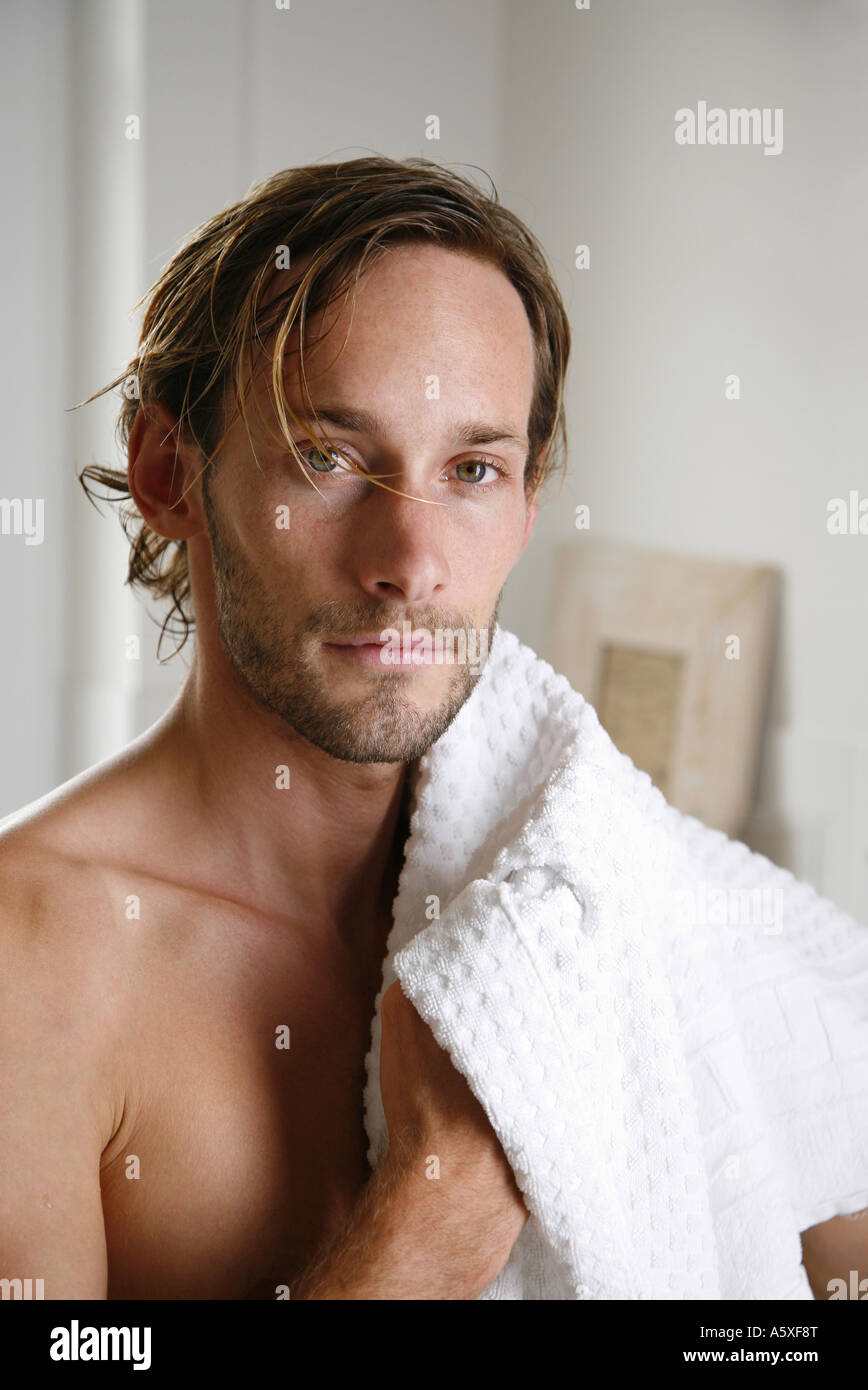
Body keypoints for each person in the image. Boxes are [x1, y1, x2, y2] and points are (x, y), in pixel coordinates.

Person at [0, 157, 861, 1300]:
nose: (410, 564)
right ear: (168, 472)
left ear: (528, 501)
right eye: (328, 457)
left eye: (470, 468)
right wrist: (438, 1205)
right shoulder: (35, 961)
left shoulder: (632, 904)